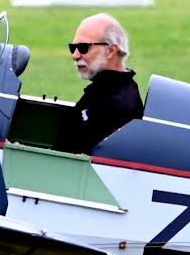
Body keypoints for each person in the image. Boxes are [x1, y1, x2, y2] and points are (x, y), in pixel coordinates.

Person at [56, 12, 143, 154]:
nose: (75, 55)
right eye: (73, 48)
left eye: (83, 48)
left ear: (110, 51)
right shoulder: (104, 90)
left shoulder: (119, 103)